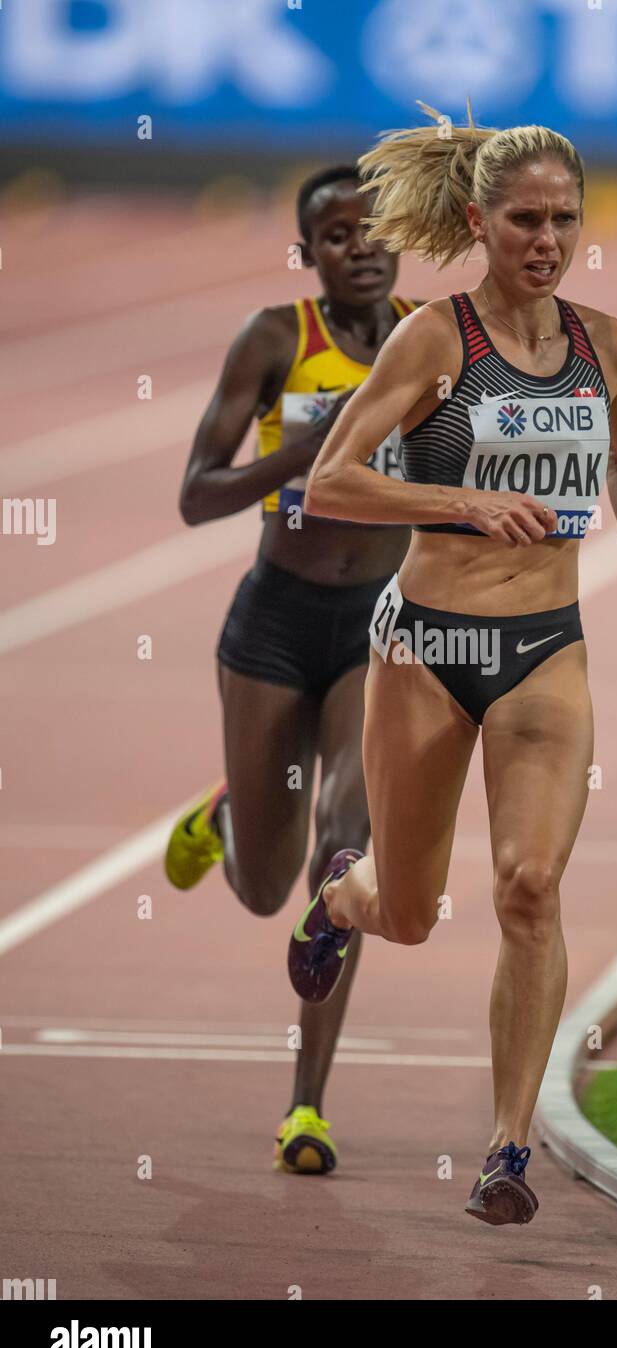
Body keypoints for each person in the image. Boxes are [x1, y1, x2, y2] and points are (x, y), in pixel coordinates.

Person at [287, 105, 617, 1226]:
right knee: (410, 912)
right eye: (524, 221)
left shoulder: (611, 345)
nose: (547, 241)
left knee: (529, 887)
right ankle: (341, 896)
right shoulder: (433, 340)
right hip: (427, 644)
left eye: (564, 220)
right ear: (479, 221)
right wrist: (463, 502)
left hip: (544, 648)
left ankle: (507, 1148)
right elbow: (330, 482)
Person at [163, 165, 420, 1176]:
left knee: (344, 851)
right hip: (274, 622)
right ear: (307, 253)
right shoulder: (275, 338)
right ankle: (230, 816)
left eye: (374, 230)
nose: (360, 248)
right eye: (336, 235)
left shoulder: (429, 338)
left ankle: (307, 1105)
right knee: (266, 888)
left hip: (374, 627)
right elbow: (196, 495)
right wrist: (306, 453)